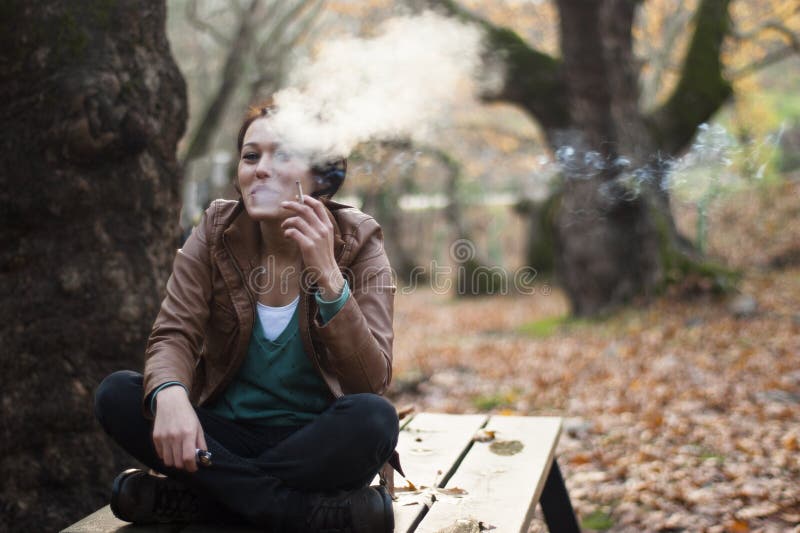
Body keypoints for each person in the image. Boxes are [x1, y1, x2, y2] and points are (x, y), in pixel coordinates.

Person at [94, 102, 400, 533]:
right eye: (251, 156)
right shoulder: (217, 228)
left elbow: (370, 382)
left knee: (375, 419)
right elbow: (173, 333)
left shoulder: (359, 239)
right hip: (220, 437)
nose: (260, 169)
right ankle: (297, 513)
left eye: (282, 155)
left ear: (322, 177)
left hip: (316, 441)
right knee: (118, 394)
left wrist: (329, 276)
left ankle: (201, 497)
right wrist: (170, 394)